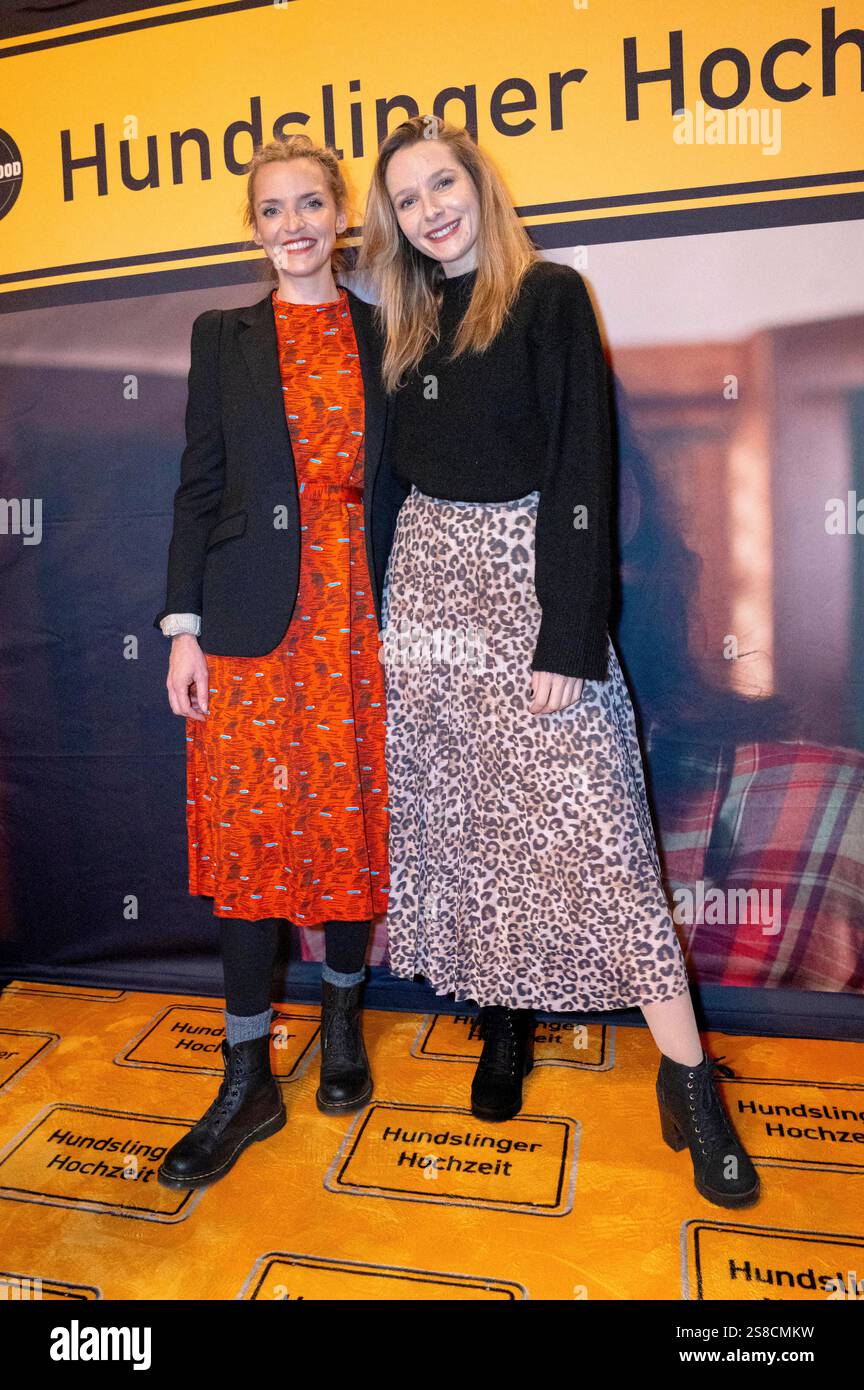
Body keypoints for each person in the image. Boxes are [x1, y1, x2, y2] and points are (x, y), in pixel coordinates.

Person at [356, 115, 760, 1210]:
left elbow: (584, 469)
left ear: (480, 185)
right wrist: (391, 619)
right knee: (472, 821)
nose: (430, 207)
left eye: (444, 183)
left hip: (528, 580)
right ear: (393, 219)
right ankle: (501, 1026)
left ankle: (691, 1078)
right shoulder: (402, 319)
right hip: (429, 591)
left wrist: (568, 635)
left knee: (604, 835)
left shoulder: (547, 300)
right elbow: (389, 482)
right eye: (407, 197)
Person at [152, 135, 408, 1189]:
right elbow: (197, 486)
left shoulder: (390, 332)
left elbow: (410, 487)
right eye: (273, 209)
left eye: (311, 203)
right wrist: (180, 626)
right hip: (248, 621)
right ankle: (246, 1067)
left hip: (359, 610)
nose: (294, 223)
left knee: (346, 816)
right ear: (254, 228)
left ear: (341, 214)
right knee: (254, 836)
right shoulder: (224, 337)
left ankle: (343, 1020)